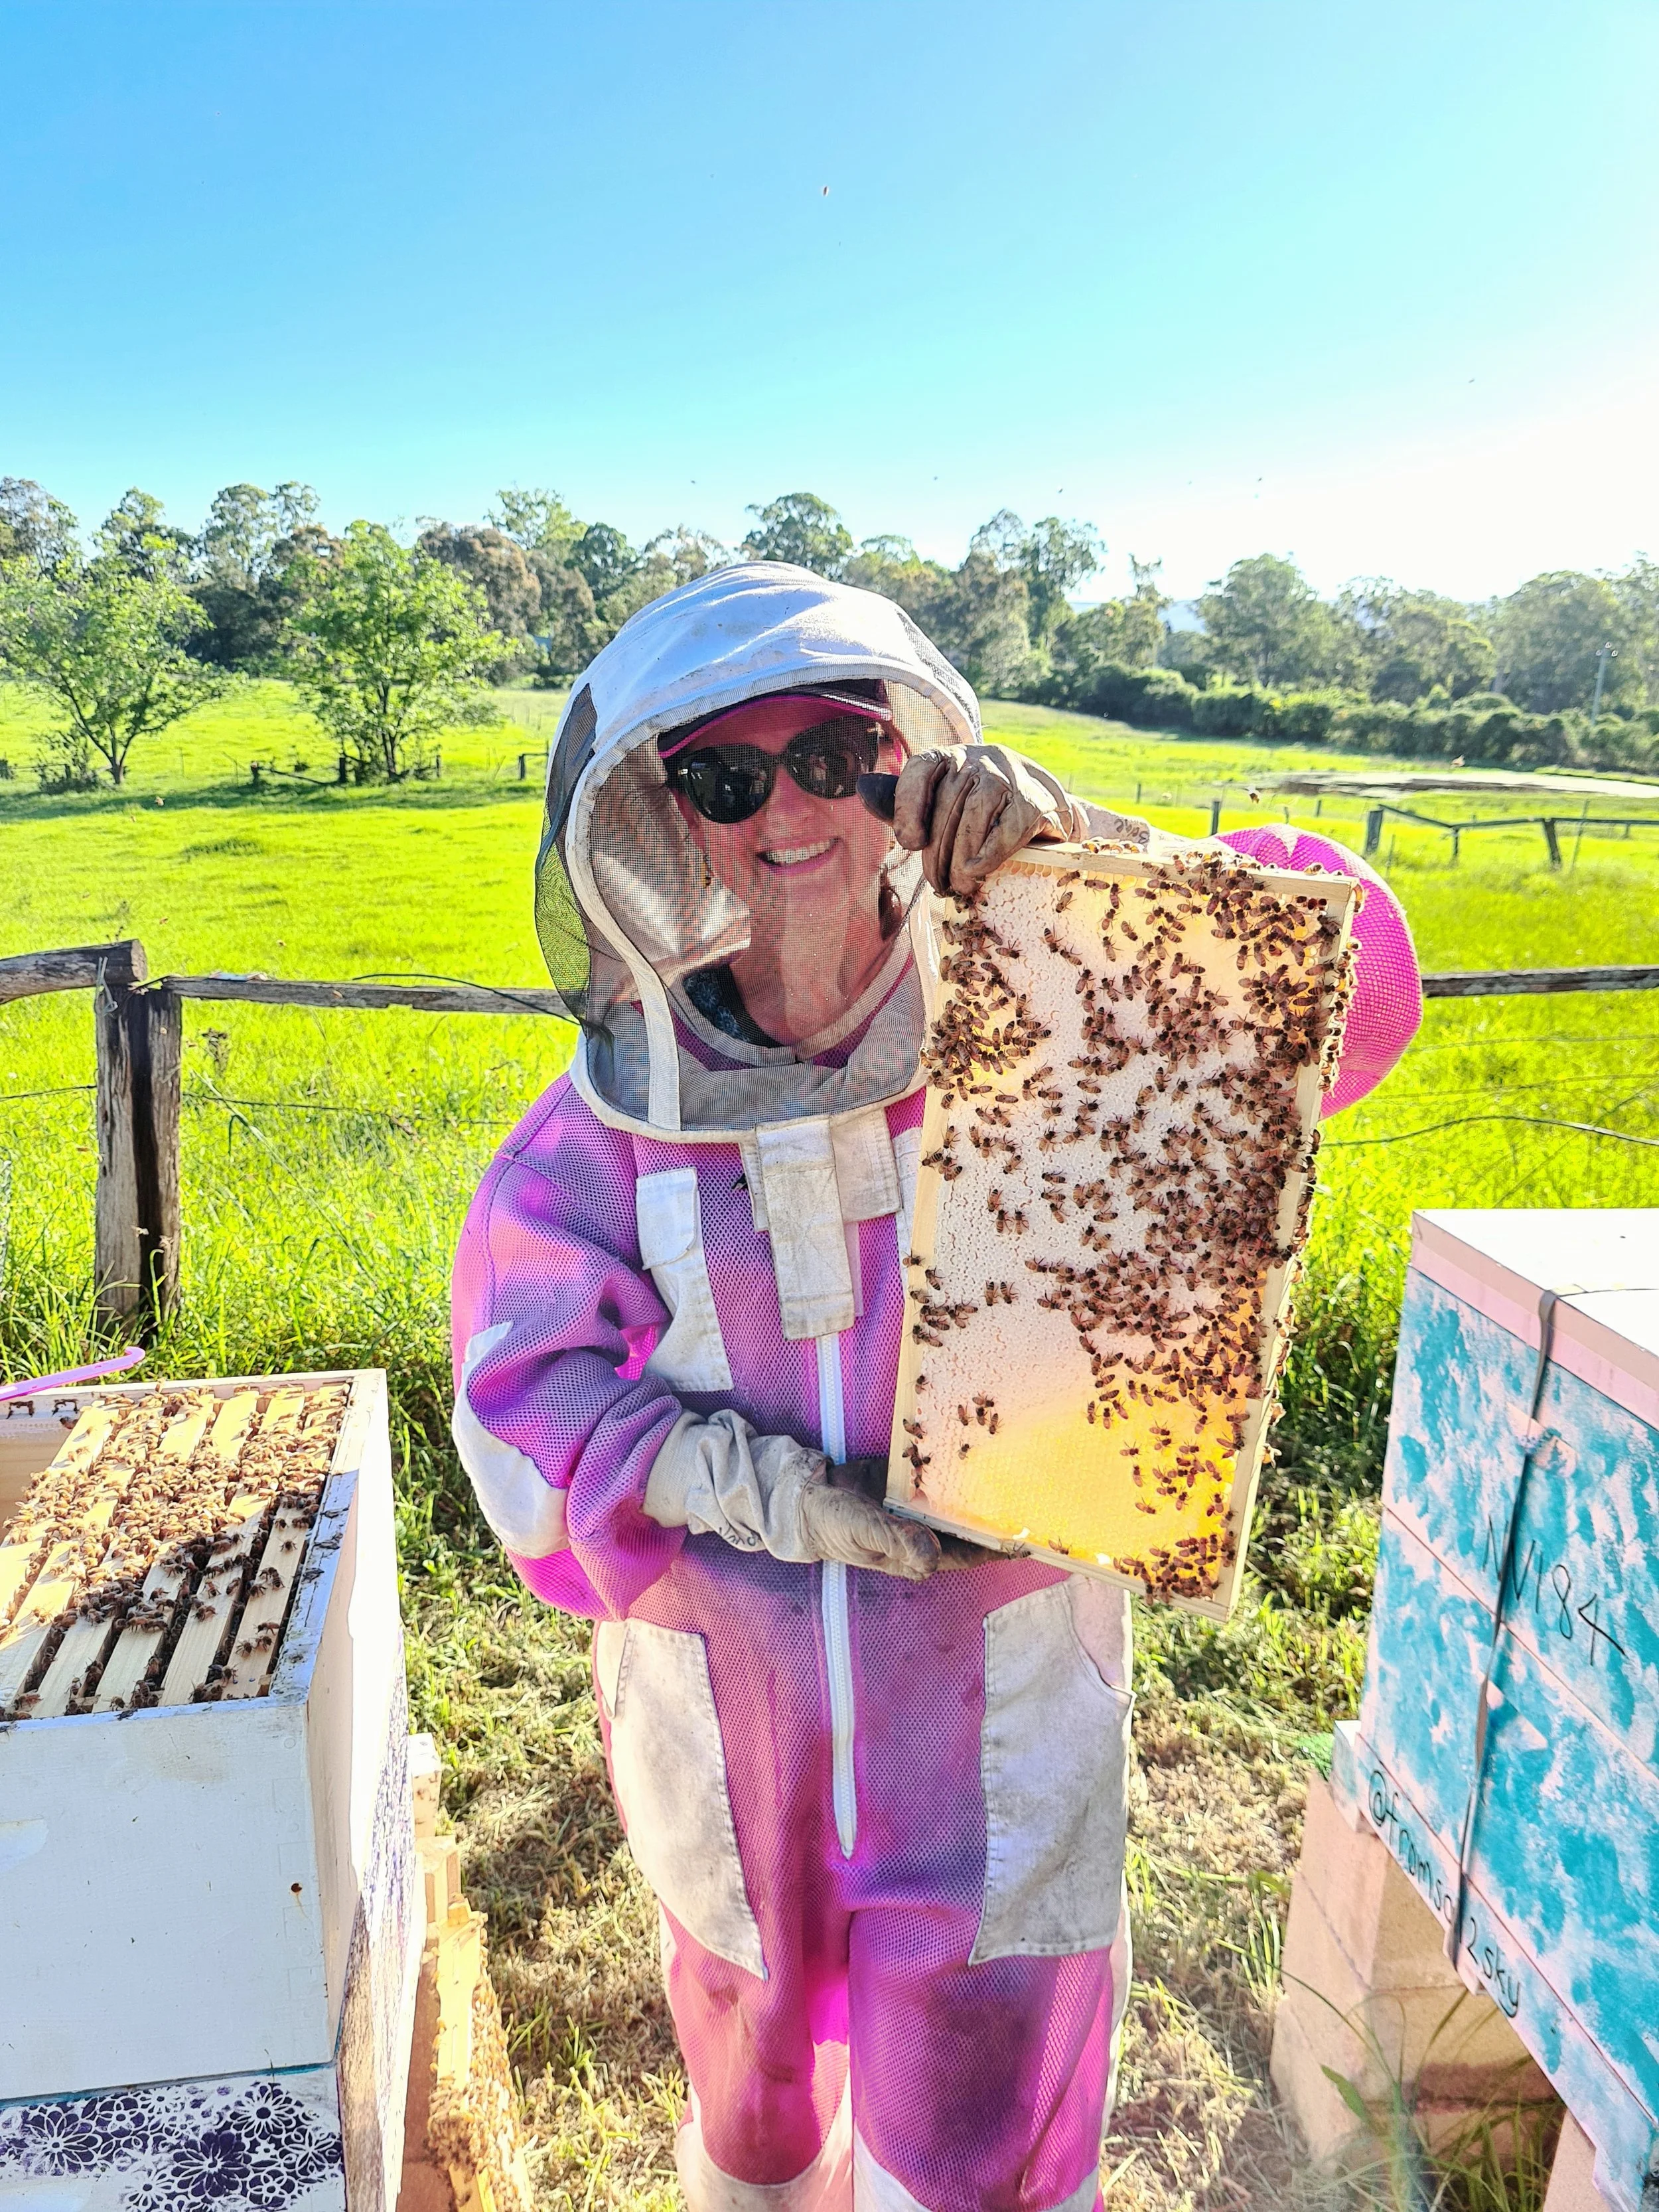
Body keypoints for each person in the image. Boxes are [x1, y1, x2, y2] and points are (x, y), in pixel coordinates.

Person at [451, 563, 1421, 2212]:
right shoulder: (603, 1130)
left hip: (998, 1708)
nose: (787, 812)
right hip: (726, 1711)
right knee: (756, 2096)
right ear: (658, 819)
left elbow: (1351, 982)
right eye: (725, 776)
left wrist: (1091, 862)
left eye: (834, 755)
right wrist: (717, 1481)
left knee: (983, 2126)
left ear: (901, 772)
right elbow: (513, 1396)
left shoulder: (1050, 1008)